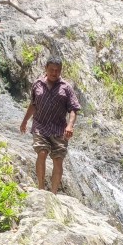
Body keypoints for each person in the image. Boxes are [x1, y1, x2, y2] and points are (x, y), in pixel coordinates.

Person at [20, 57, 81, 194]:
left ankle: (53, 193)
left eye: (57, 70)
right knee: (41, 152)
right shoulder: (37, 84)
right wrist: (24, 122)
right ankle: (41, 188)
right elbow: (33, 105)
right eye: (52, 70)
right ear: (46, 69)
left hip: (59, 128)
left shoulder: (66, 87)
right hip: (40, 125)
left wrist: (70, 125)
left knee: (58, 159)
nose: (54, 73)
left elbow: (73, 109)